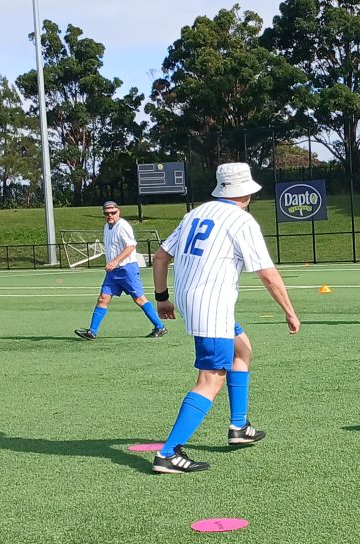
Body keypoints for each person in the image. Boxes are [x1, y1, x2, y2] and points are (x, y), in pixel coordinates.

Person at [150, 162, 300, 474]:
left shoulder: (196, 213)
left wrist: (162, 297)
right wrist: (289, 310)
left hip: (191, 298)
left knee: (242, 348)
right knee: (211, 379)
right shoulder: (241, 221)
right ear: (246, 191)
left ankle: (239, 427)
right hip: (212, 306)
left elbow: (161, 256)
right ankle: (168, 453)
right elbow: (268, 274)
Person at [74, 201, 168, 340]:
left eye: (113, 212)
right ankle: (92, 332)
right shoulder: (107, 226)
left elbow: (130, 246)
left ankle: (160, 327)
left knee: (139, 299)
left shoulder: (122, 226)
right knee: (102, 299)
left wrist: (115, 261)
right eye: (107, 213)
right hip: (113, 272)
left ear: (119, 212)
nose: (110, 215)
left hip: (126, 269)